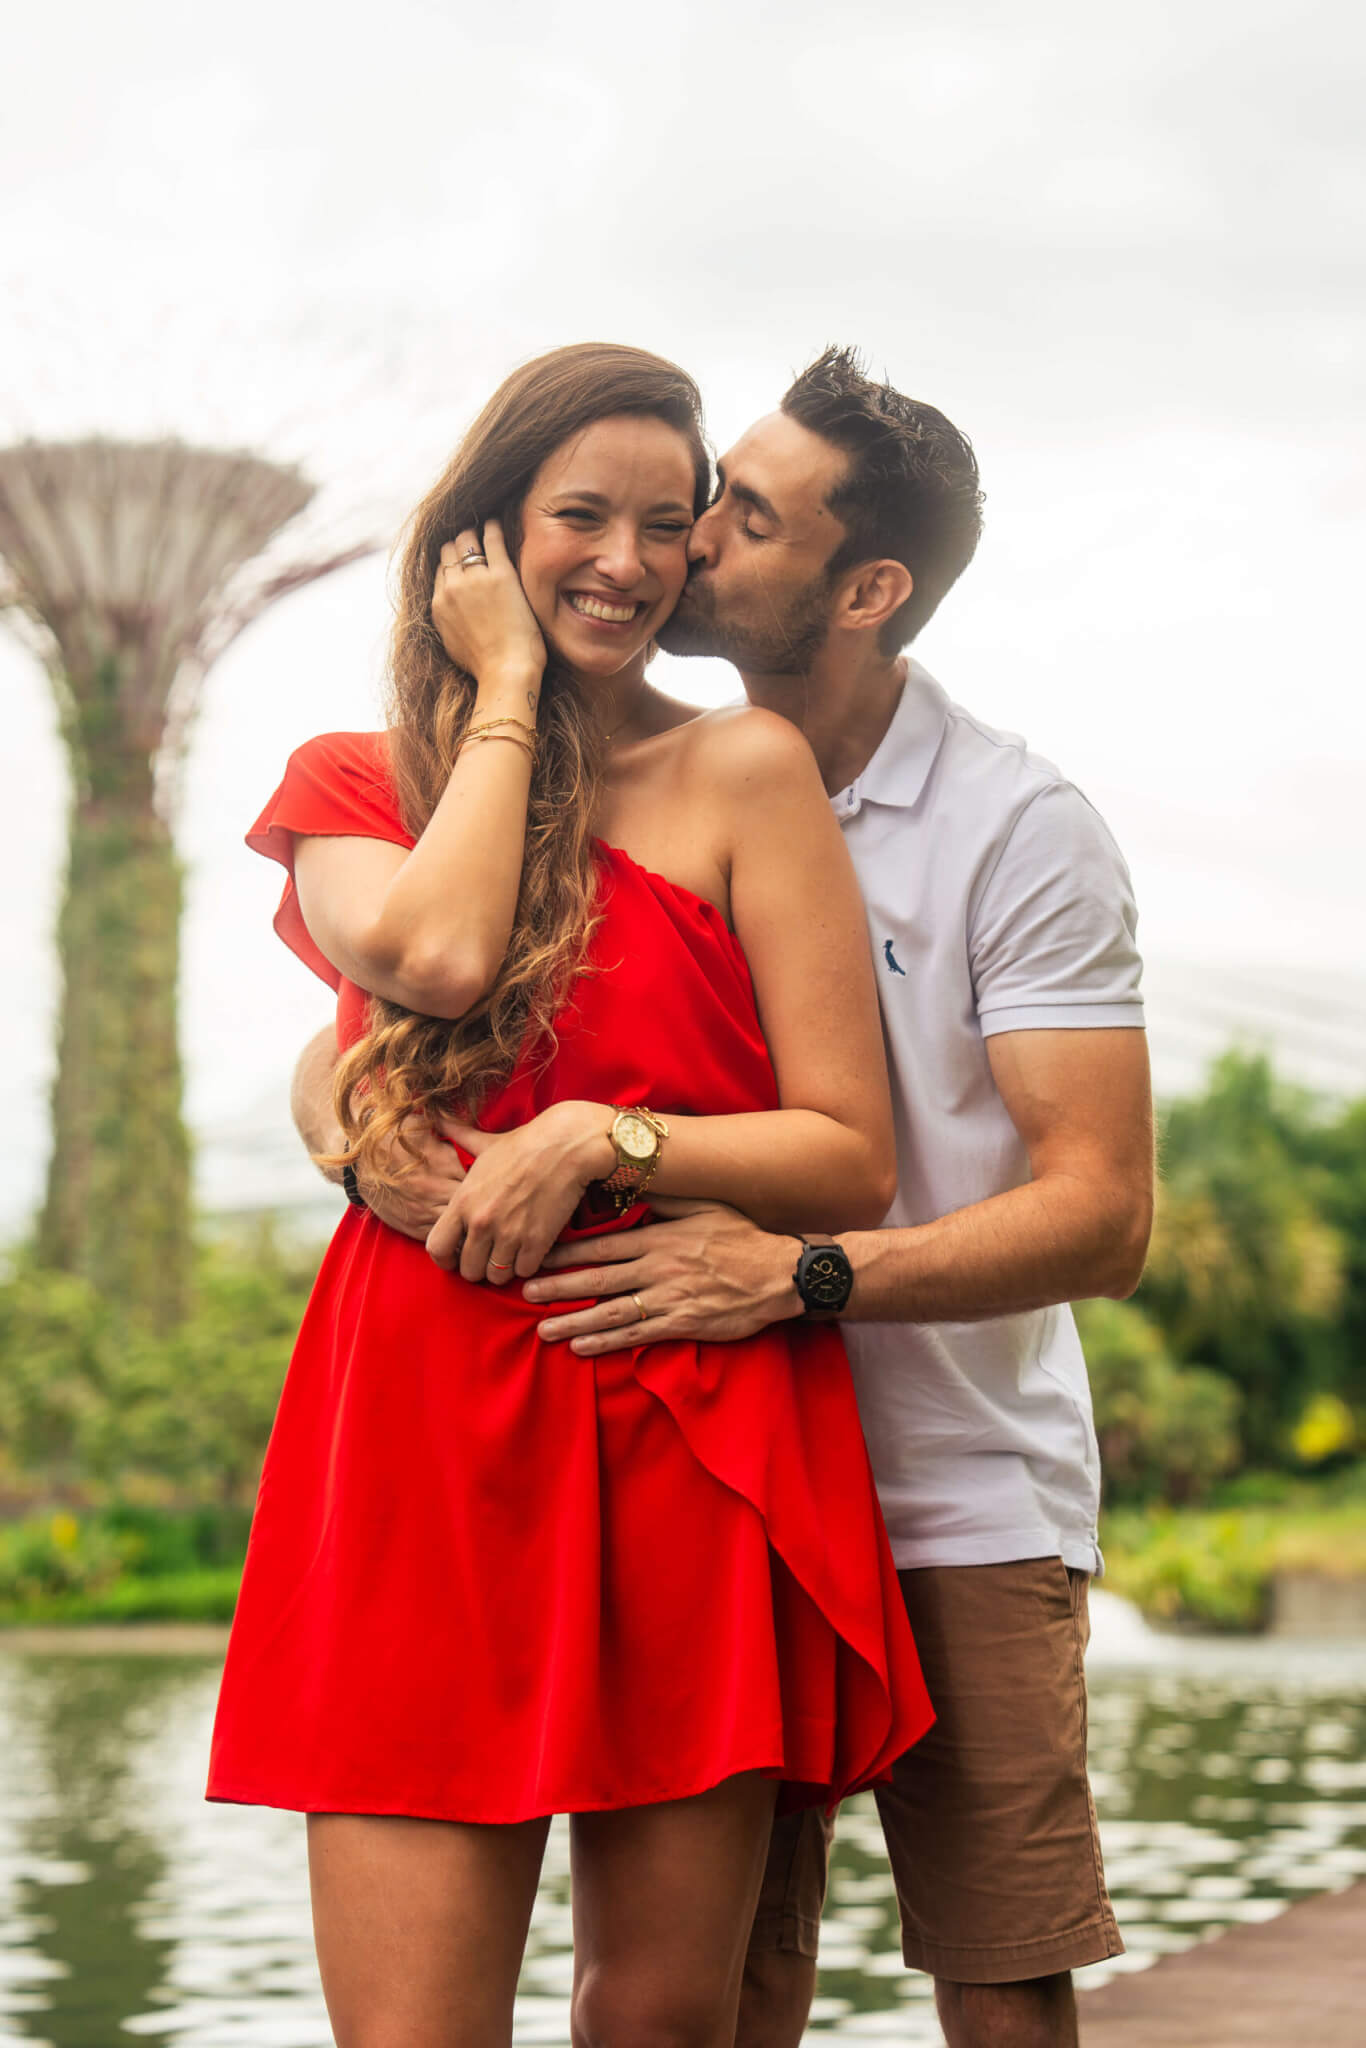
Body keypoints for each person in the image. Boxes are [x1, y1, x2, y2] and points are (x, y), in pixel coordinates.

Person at [299, 348, 1156, 2048]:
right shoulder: (435, 772)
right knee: (738, 1986)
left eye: (718, 521)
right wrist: (333, 1106)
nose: (669, 555)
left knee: (985, 1967)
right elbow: (412, 997)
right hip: (579, 1418)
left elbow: (1094, 1211)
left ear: (867, 586)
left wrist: (760, 1253)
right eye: (648, 516)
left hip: (899, 1459)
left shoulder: (999, 824)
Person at [207, 341, 934, 2048]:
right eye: (577, 516)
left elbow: (851, 1153)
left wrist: (607, 1136)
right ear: (481, 537)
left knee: (661, 2019)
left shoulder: (747, 774)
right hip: (421, 1429)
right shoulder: (349, 784)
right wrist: (509, 695)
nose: (624, 557)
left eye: (665, 525)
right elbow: (442, 957)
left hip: (679, 1413)